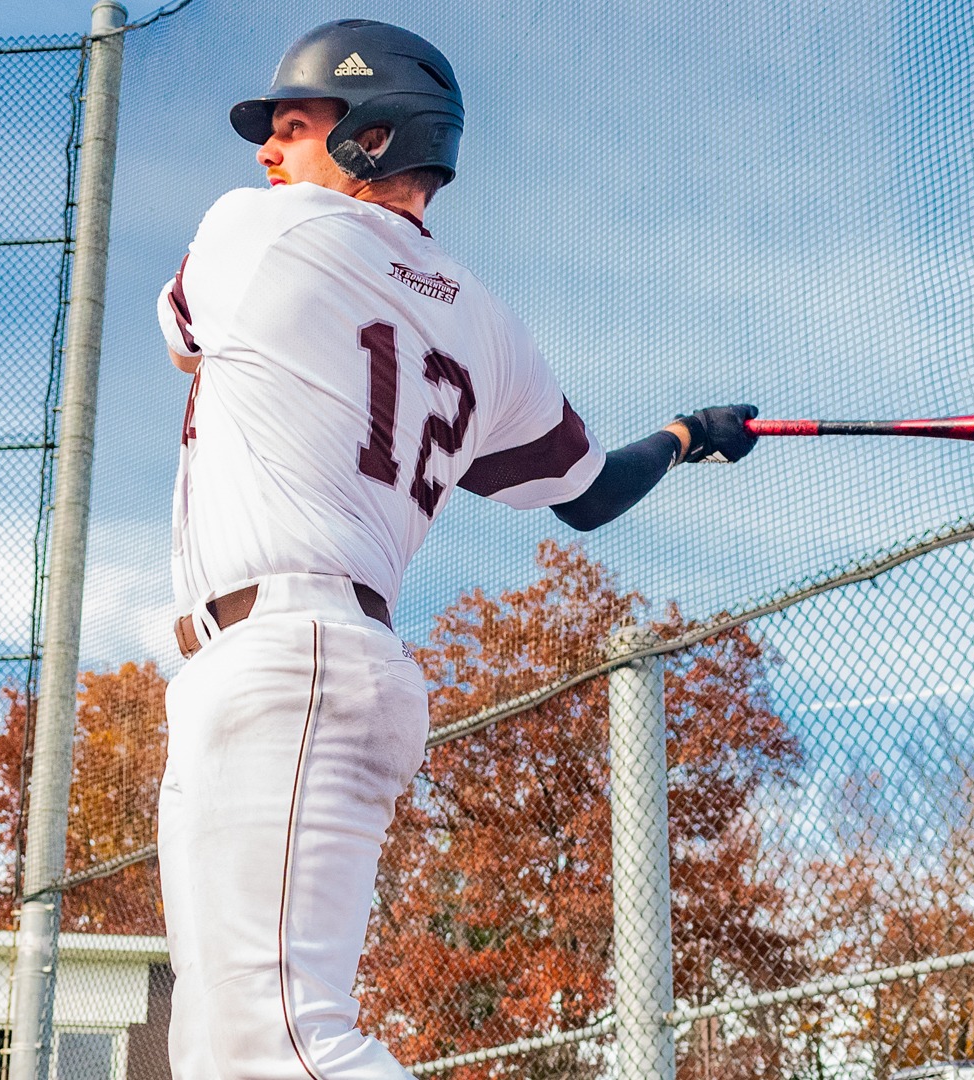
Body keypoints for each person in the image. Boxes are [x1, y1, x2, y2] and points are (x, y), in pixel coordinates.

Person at [153, 19, 759, 1079]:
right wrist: (681, 436)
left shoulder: (255, 228)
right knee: (219, 1052)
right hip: (305, 666)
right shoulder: (488, 325)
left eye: (293, 126)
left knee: (277, 1044)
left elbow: (182, 344)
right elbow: (587, 493)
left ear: (377, 132)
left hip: (287, 661)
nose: (267, 150)